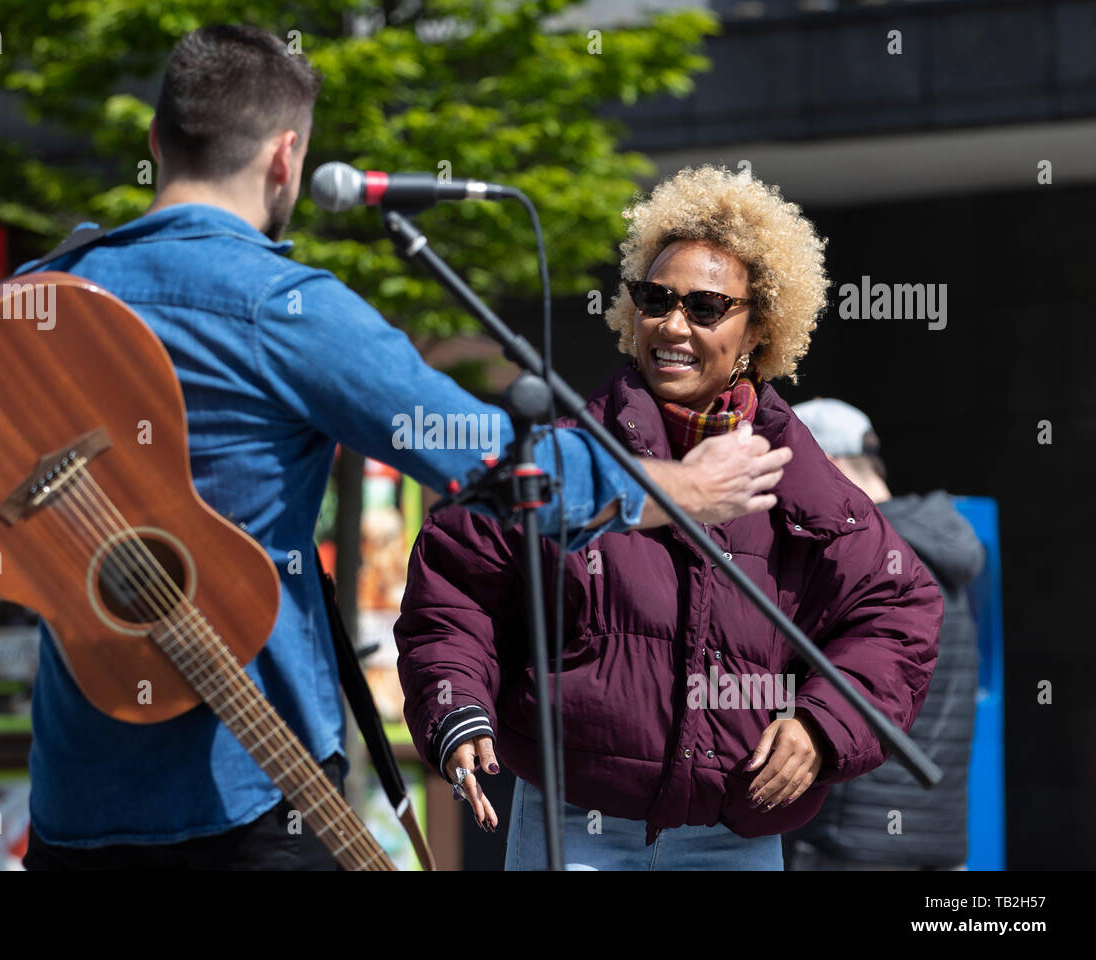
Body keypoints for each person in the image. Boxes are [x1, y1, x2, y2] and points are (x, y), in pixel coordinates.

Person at [6, 26, 789, 870]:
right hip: (250, 790)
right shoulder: (285, 308)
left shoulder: (44, 296)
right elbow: (487, 460)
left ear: (156, 141)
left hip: (75, 794)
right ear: (285, 157)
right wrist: (672, 489)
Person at [395, 165, 945, 870]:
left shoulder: (799, 476)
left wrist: (822, 725)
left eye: (706, 306)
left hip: (733, 841)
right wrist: (456, 706)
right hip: (572, 827)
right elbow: (456, 580)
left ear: (759, 327)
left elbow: (898, 612)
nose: (673, 324)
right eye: (655, 299)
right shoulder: (570, 454)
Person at [785, 398, 985, 870]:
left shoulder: (856, 553)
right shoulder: (940, 540)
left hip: (854, 836)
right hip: (939, 834)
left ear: (826, 465)